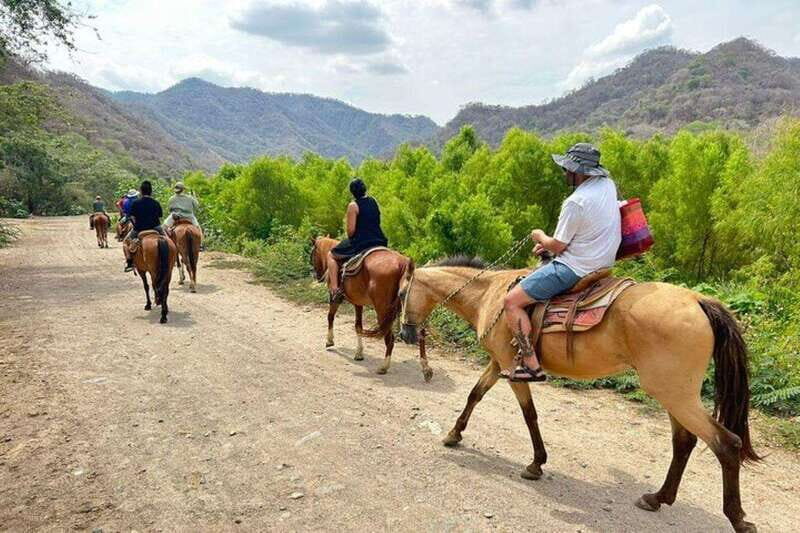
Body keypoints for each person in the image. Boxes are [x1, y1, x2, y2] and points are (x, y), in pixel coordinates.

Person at [500, 143, 621, 382]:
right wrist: (549, 245)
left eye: (568, 169)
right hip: (602, 261)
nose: (565, 173)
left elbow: (557, 246)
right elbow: (586, 229)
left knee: (511, 301)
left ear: (579, 172)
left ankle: (531, 365)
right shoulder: (607, 185)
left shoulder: (575, 202)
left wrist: (540, 237)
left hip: (575, 268)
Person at [327, 178, 388, 303]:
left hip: (361, 241)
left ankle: (334, 289)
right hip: (379, 239)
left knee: (331, 255)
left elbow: (351, 231)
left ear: (352, 192)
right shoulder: (373, 201)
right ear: (365, 189)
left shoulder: (353, 206)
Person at [123, 181, 165, 272]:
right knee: (169, 240)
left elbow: (132, 217)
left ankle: (129, 262)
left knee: (125, 242)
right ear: (151, 191)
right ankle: (172, 258)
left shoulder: (136, 203)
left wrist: (137, 225)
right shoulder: (156, 203)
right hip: (155, 227)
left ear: (141, 191)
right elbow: (159, 216)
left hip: (139, 229)